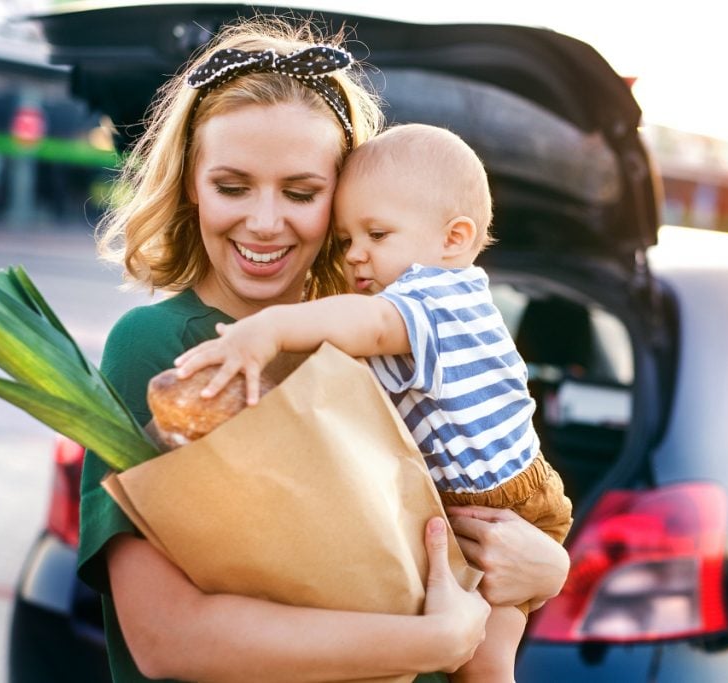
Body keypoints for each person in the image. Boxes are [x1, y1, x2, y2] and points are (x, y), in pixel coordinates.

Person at [79, 15, 570, 683]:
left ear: (343, 202)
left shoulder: (371, 349)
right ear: (192, 186)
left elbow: (462, 524)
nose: (263, 220)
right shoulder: (163, 348)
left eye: (302, 193)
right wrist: (437, 641)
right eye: (232, 185)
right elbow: (167, 638)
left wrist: (546, 568)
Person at [173, 123, 574, 682]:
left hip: (494, 502)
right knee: (483, 662)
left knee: (481, 666)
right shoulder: (437, 299)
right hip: (495, 500)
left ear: (453, 239)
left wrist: (269, 329)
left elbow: (364, 323)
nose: (356, 255)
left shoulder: (433, 299)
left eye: (377, 235)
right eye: (346, 240)